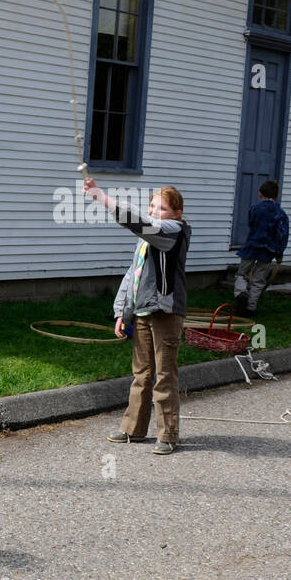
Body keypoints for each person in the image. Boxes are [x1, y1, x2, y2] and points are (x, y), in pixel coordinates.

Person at [85, 178, 190, 455]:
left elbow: (143, 223)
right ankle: (134, 428)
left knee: (164, 375)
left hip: (166, 313)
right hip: (142, 311)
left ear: (176, 214)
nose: (156, 212)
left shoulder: (174, 231)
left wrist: (104, 199)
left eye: (163, 208)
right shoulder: (145, 241)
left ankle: (167, 434)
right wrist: (122, 312)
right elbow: (133, 275)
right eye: (153, 206)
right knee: (141, 374)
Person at [234, 180, 289, 317]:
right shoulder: (281, 213)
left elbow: (251, 223)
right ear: (276, 196)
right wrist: (279, 252)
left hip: (251, 246)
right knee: (259, 279)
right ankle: (250, 308)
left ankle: (241, 293)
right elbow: (282, 235)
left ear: (260, 194)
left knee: (242, 274)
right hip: (267, 250)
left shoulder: (254, 209)